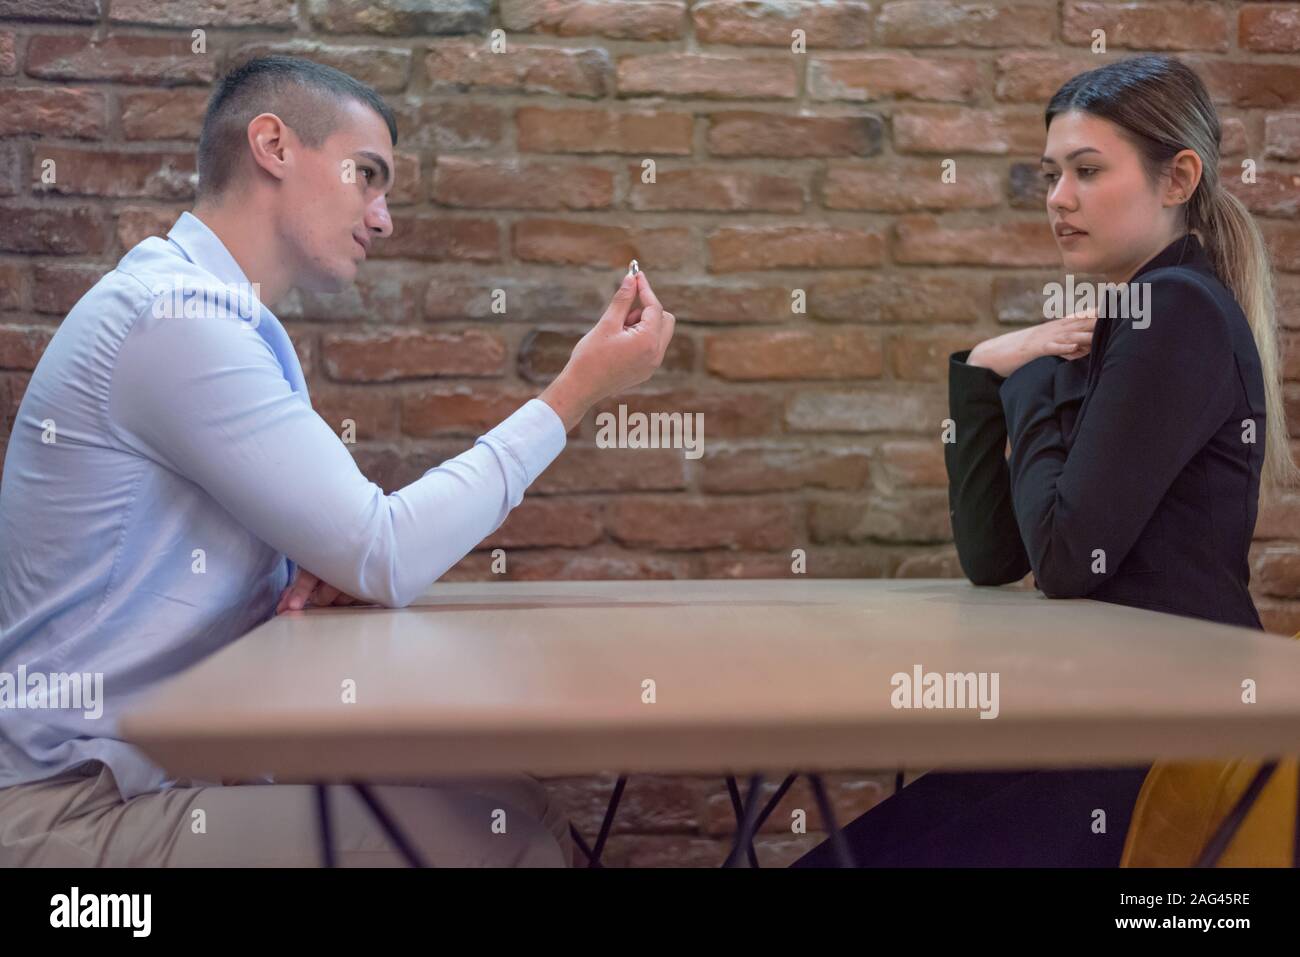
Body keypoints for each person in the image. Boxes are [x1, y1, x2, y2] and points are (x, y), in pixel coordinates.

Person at [0, 56, 676, 867]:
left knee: (516, 801)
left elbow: (354, 546)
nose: (382, 218)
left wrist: (309, 563)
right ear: (274, 146)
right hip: (71, 811)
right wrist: (575, 394)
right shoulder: (170, 319)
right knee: (510, 847)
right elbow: (383, 546)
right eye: (368, 176)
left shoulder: (214, 318)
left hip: (163, 773)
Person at [794, 54, 1291, 867]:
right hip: (1105, 712)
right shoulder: (1133, 315)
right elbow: (998, 555)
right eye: (1052, 174)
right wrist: (986, 372)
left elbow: (1064, 557)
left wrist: (1026, 373)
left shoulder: (1175, 310)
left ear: (1179, 178)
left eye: (1088, 171)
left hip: (1168, 749)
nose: (1059, 199)